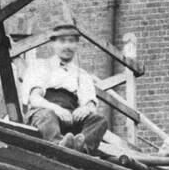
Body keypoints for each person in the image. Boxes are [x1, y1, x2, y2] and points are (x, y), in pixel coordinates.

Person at [18, 24, 107, 153]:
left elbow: (91, 104)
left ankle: (82, 149)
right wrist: (56, 109)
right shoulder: (41, 66)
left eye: (71, 41)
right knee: (47, 116)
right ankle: (59, 146)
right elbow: (35, 98)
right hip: (44, 113)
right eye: (62, 41)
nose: (67, 46)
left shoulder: (82, 75)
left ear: (77, 44)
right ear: (53, 44)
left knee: (99, 120)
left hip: (70, 117)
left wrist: (85, 108)